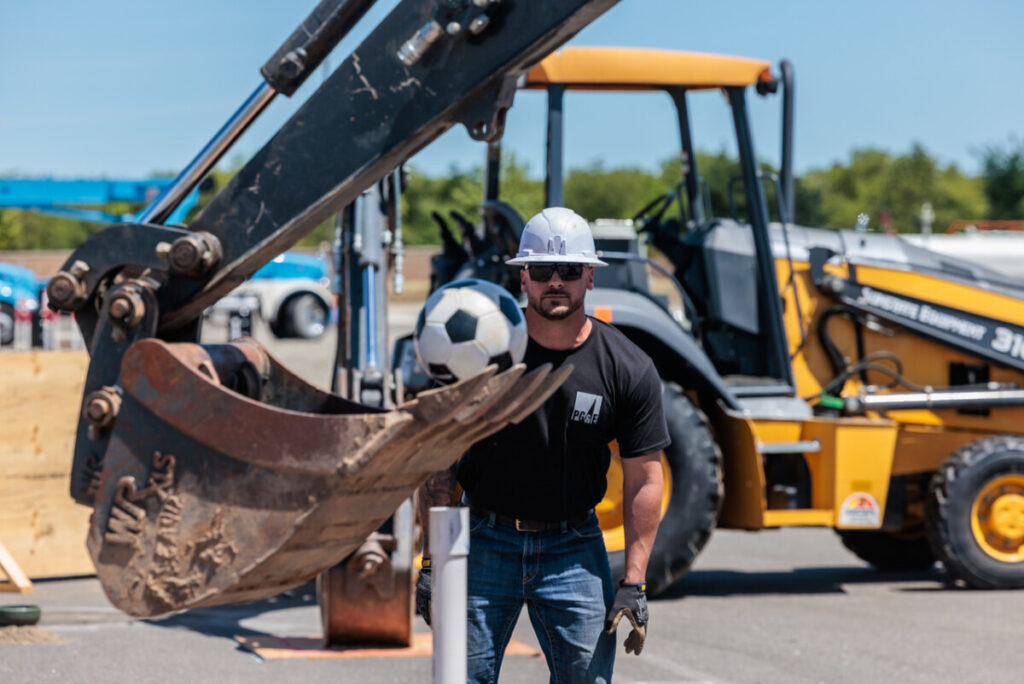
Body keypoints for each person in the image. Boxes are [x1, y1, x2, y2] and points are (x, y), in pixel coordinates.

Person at [416, 207, 668, 683]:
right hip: (483, 539)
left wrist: (634, 582)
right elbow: (439, 461)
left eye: (569, 270)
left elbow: (644, 475)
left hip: (573, 547)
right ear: (523, 278)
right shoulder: (479, 356)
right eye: (541, 270)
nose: (556, 281)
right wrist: (433, 559)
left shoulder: (627, 368)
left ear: (589, 277)